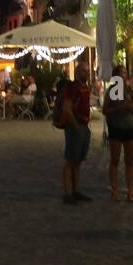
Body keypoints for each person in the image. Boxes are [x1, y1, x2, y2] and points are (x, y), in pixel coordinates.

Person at [56, 62, 93, 205]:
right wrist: (76, 126)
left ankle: (76, 190)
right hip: (75, 126)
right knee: (70, 160)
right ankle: (67, 193)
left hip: (83, 125)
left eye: (88, 71)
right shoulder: (72, 87)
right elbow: (67, 108)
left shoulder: (85, 88)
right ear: (77, 73)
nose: (87, 74)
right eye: (84, 71)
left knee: (78, 160)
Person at [103, 63, 133, 202]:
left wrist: (131, 106)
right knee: (115, 160)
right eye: (120, 73)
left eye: (124, 73)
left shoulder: (130, 90)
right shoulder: (112, 91)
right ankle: (115, 190)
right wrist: (118, 108)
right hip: (116, 127)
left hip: (129, 127)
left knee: (129, 161)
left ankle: (131, 191)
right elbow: (105, 110)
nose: (123, 76)